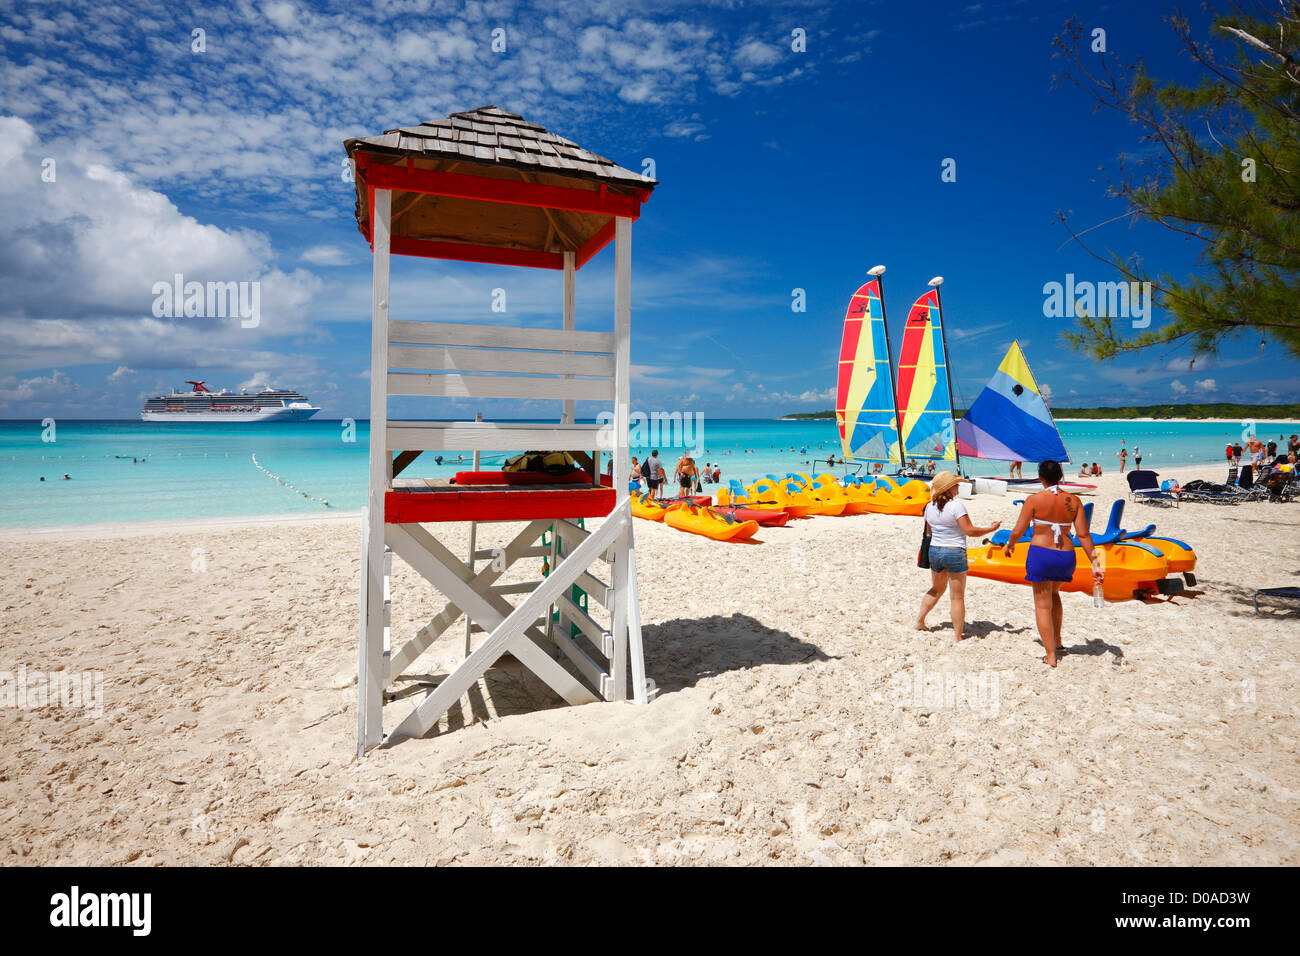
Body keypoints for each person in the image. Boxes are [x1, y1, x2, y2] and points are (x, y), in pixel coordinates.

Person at [1001, 460, 1104, 668]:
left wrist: (1010, 545)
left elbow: (1018, 530)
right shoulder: (1074, 501)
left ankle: (1050, 655)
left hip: (1041, 555)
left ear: (1041, 478)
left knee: (1042, 604)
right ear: (1061, 475)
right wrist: (1095, 562)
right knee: (1054, 594)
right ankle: (1057, 641)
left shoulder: (1034, 500)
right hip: (1065, 557)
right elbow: (1083, 535)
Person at [915, 472, 1001, 643]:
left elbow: (928, 533)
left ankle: (919, 620)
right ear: (948, 488)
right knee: (957, 597)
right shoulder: (956, 507)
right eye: (956, 484)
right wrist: (990, 529)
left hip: (935, 551)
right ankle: (957, 636)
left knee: (936, 589)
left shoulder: (929, 507)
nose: (958, 486)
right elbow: (969, 531)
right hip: (954, 551)